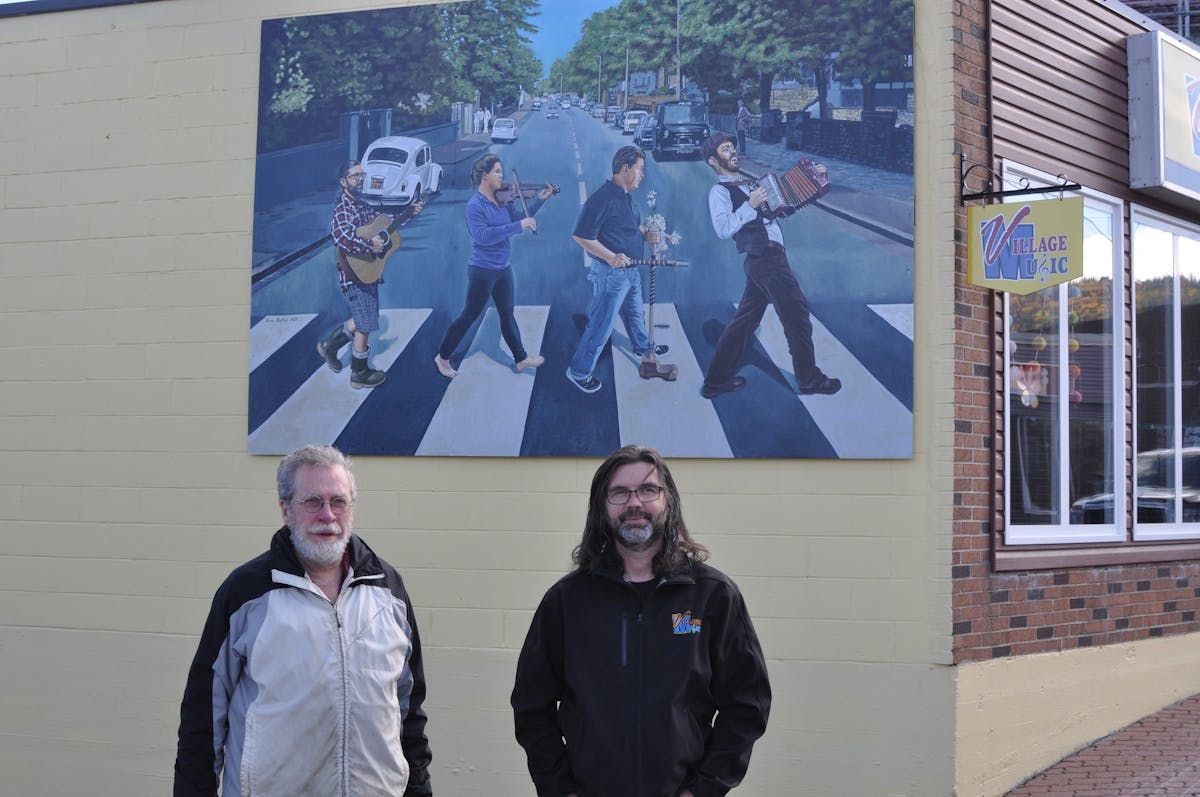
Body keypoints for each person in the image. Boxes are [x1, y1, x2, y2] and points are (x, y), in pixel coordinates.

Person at [511, 444, 771, 797]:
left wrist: (704, 789)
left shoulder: (713, 596)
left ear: (669, 502)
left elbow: (747, 704)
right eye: (619, 492)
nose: (635, 503)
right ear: (602, 507)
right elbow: (531, 707)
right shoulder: (567, 601)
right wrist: (560, 790)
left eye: (648, 490)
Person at [173, 445, 432, 797]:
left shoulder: (388, 591)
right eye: (312, 501)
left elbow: (409, 713)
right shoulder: (245, 594)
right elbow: (202, 719)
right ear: (285, 510)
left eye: (338, 501)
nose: (327, 515)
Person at [699, 133, 840, 399]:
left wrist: (815, 179)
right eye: (725, 150)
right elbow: (722, 229)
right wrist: (750, 206)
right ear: (713, 161)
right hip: (766, 260)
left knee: (743, 322)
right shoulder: (719, 192)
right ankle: (808, 379)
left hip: (765, 260)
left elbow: (784, 203)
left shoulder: (748, 184)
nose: (732, 152)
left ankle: (715, 382)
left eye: (732, 148)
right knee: (797, 316)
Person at [435, 154, 555, 378]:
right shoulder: (474, 206)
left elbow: (519, 217)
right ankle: (442, 357)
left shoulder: (502, 201)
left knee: (507, 314)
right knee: (470, 315)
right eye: (498, 172)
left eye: (502, 172)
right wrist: (519, 225)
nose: (502, 176)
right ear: (485, 175)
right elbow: (483, 236)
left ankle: (520, 359)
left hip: (503, 268)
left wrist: (541, 199)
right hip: (483, 270)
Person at [566, 145, 670, 394]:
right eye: (640, 169)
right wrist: (611, 257)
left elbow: (630, 229)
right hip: (612, 273)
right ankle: (579, 371)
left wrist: (647, 235)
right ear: (625, 169)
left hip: (631, 270)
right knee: (602, 323)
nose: (643, 175)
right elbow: (581, 236)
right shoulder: (602, 198)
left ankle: (642, 347)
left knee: (635, 315)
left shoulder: (625, 198)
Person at [317, 160, 423, 389]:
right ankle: (359, 373)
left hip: (369, 272)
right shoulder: (342, 210)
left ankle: (329, 345)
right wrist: (369, 245)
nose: (360, 179)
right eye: (355, 176)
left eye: (362, 175)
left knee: (363, 318)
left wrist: (408, 214)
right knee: (365, 324)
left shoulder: (363, 205)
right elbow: (341, 237)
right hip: (353, 274)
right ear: (343, 182)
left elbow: (384, 225)